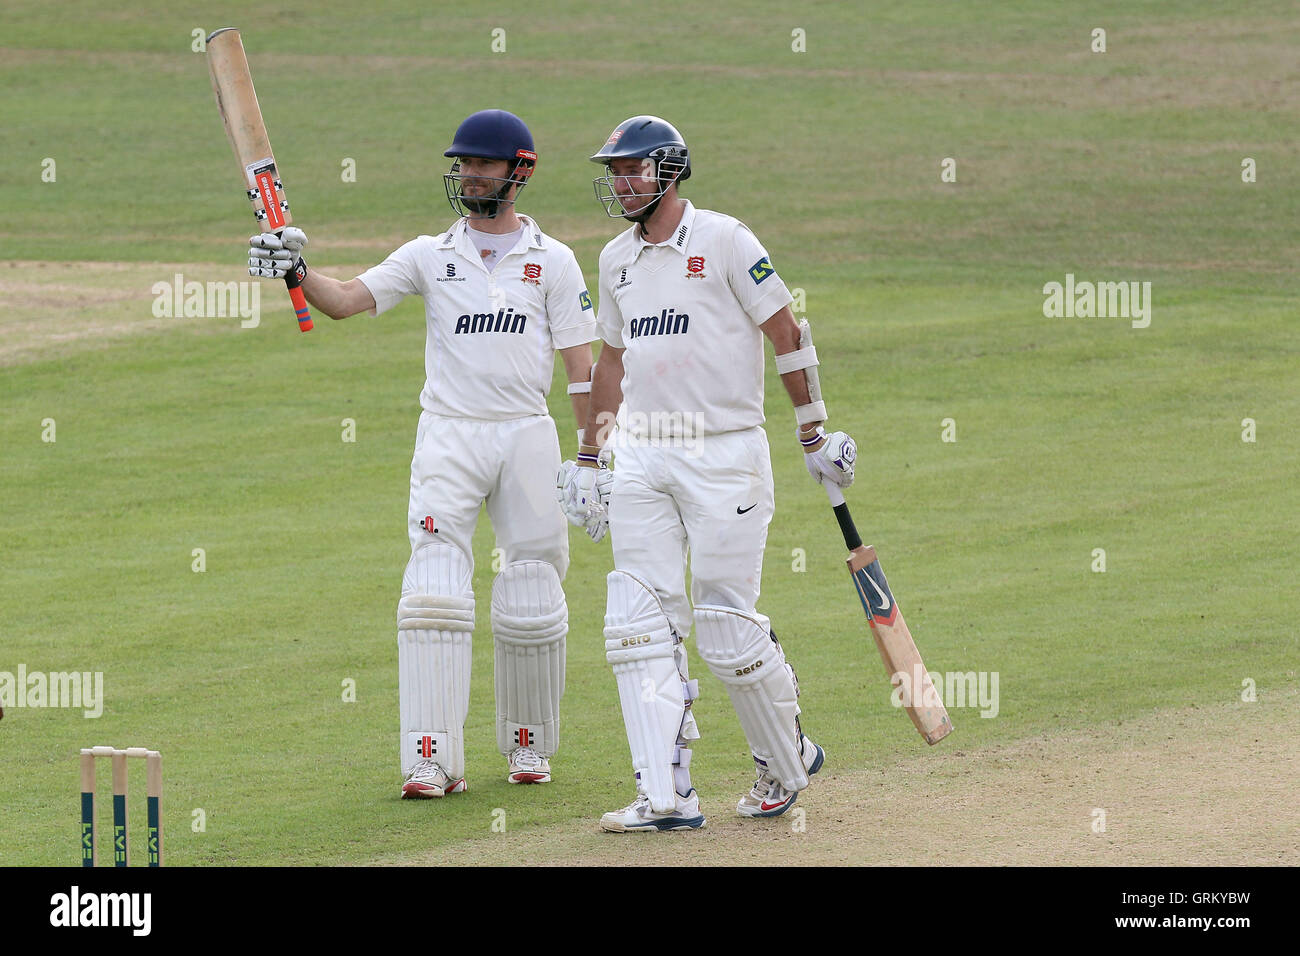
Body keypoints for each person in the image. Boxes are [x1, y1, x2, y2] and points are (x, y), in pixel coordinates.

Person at [247, 109, 598, 798]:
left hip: (526, 432)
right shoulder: (428, 254)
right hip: (449, 432)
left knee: (532, 588)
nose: (467, 175)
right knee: (434, 589)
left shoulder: (552, 261)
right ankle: (430, 759)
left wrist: (590, 457)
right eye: (462, 165)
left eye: (481, 165)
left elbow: (582, 369)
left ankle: (528, 747)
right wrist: (298, 267)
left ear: (517, 172)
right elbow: (346, 302)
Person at [559, 116, 857, 831]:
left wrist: (812, 430)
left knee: (724, 625)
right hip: (644, 454)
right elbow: (610, 362)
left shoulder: (726, 239)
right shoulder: (615, 260)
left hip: (726, 452)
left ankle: (784, 761)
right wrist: (593, 457)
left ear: (668, 171)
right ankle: (665, 795)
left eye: (632, 169)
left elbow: (787, 332)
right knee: (639, 622)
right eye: (614, 171)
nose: (621, 182)